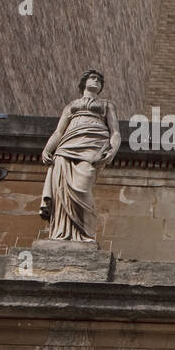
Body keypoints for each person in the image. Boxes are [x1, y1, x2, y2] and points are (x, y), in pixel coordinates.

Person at [38, 69, 120, 242]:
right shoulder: (71, 105)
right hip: (66, 147)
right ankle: (61, 233)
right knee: (62, 192)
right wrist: (47, 149)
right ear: (84, 82)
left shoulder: (107, 105)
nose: (96, 81)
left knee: (82, 188)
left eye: (99, 80)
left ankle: (84, 233)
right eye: (93, 78)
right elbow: (59, 131)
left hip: (93, 147)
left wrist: (112, 150)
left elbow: (115, 132)